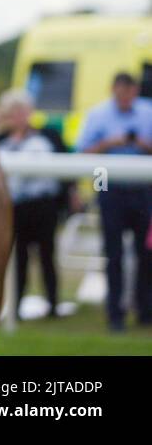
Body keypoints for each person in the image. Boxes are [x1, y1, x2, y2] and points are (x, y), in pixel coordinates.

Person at [76, 71, 152, 331]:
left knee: (147, 252)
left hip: (144, 190)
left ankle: (145, 310)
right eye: (120, 93)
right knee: (114, 253)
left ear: (135, 91)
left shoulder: (147, 111)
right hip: (111, 190)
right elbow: (82, 150)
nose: (125, 98)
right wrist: (109, 143)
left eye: (129, 93)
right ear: (113, 90)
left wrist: (142, 144)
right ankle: (115, 314)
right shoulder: (98, 115)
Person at [0, 89, 72, 317]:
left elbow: (67, 165)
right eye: (13, 112)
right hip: (13, 208)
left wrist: (69, 198)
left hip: (44, 205)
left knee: (47, 254)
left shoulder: (48, 135)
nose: (18, 117)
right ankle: (15, 307)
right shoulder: (0, 140)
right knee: (18, 258)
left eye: (22, 111)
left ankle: (53, 304)